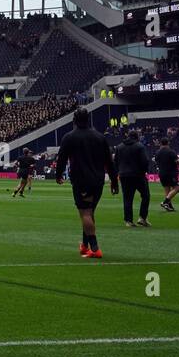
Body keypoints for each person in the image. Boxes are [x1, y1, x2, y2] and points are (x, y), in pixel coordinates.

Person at [55, 108, 118, 259]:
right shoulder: (99, 137)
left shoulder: (69, 137)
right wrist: (114, 181)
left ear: (74, 120)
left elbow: (62, 159)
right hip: (98, 180)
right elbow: (109, 161)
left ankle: (95, 248)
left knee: (85, 213)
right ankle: (84, 245)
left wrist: (58, 175)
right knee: (89, 212)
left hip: (81, 180)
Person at [115, 130, 152, 228]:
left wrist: (119, 172)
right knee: (146, 196)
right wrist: (144, 171)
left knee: (127, 198)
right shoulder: (139, 146)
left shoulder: (119, 147)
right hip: (138, 175)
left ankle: (128, 221)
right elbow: (145, 161)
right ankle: (142, 218)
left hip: (124, 176)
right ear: (137, 137)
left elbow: (115, 162)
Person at [155, 137, 179, 212]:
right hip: (170, 173)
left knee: (167, 190)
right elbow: (178, 162)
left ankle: (169, 206)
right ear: (168, 143)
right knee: (177, 188)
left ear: (161, 143)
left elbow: (156, 161)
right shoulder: (171, 151)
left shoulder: (157, 152)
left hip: (161, 173)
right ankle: (165, 202)